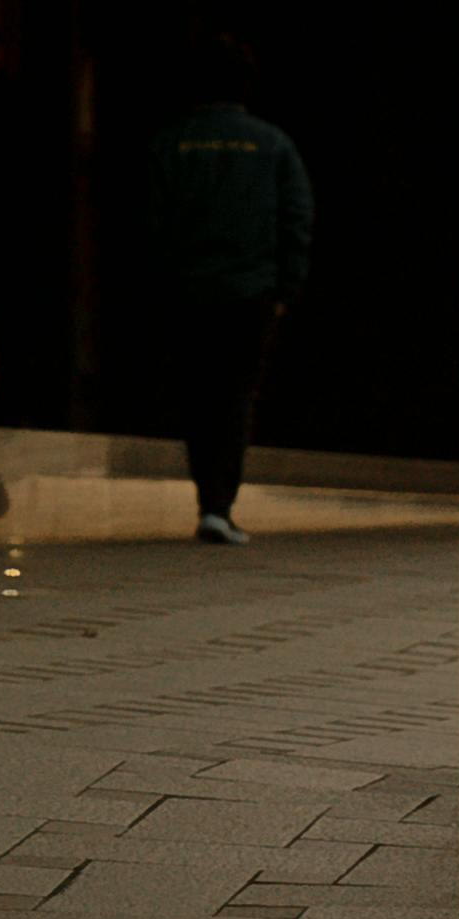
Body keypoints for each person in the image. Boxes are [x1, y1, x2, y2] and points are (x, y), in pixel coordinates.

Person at [137, 34, 315, 545]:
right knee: (236, 395)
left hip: (189, 291)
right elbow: (298, 218)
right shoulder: (273, 144)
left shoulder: (172, 142)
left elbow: (153, 223)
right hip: (251, 292)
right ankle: (221, 505)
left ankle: (206, 500)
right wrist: (285, 288)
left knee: (196, 394)